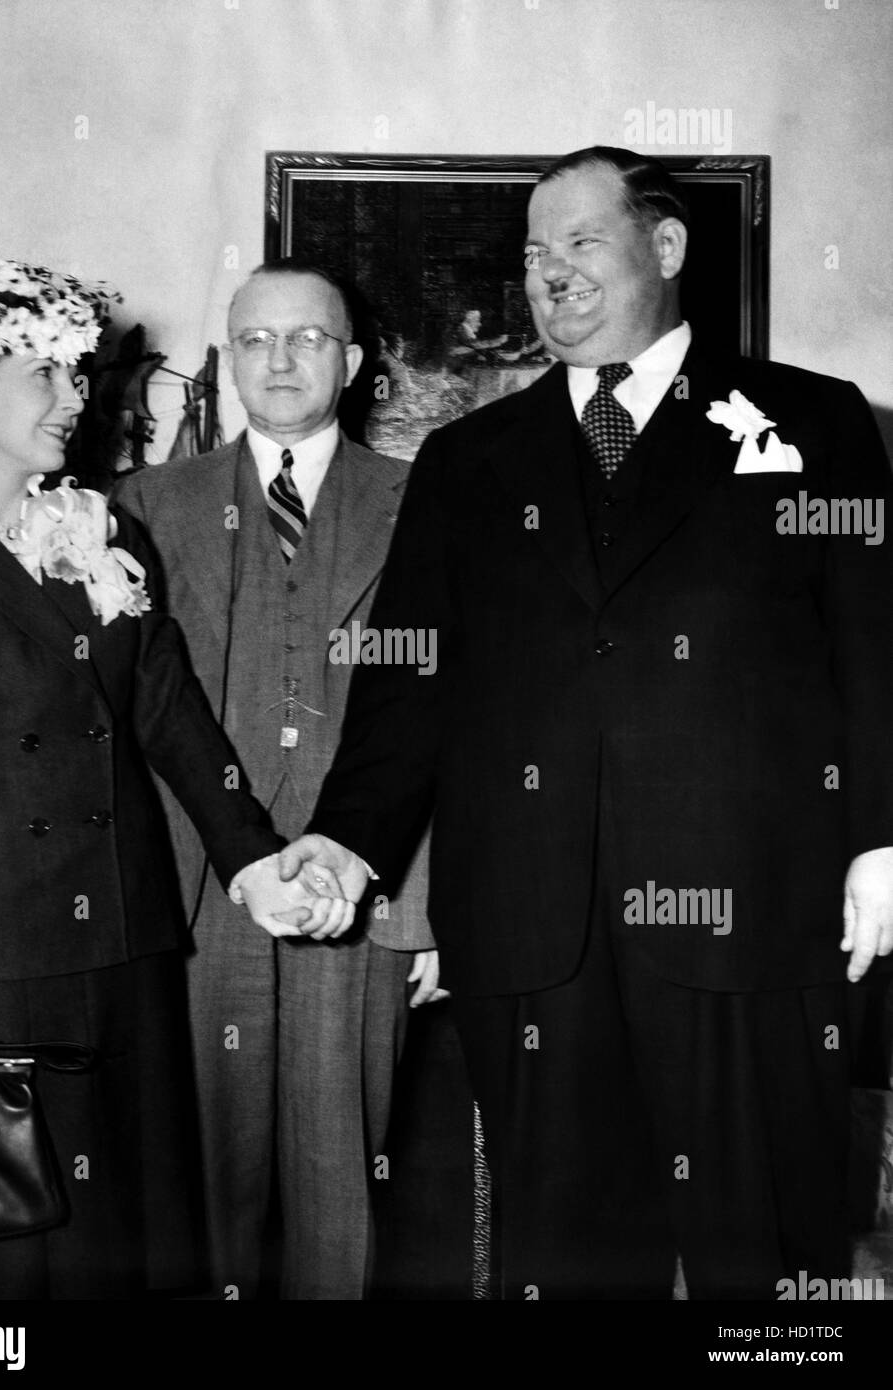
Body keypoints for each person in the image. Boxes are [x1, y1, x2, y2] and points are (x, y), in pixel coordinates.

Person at [283, 148, 893, 1299]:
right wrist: (347, 840)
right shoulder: (467, 460)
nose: (547, 274)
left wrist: (880, 840)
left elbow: (875, 645)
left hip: (748, 922)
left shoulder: (811, 422)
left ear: (662, 249)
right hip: (530, 940)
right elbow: (408, 684)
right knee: (562, 1263)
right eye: (529, 253)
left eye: (577, 243)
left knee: (757, 1260)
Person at [0, 261, 348, 1300]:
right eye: (43, 372)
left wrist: (255, 863)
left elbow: (171, 717)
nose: (75, 395)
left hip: (124, 943)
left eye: (80, 372)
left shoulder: (104, 535)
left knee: (121, 1240)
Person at [116, 260, 441, 1301]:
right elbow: (123, 718)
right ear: (229, 358)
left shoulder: (421, 504)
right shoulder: (147, 503)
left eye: (306, 338)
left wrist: (428, 908)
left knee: (339, 1178)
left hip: (366, 893)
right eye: (253, 340)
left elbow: (453, 715)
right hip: (195, 896)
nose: (280, 359)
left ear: (350, 363)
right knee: (197, 1183)